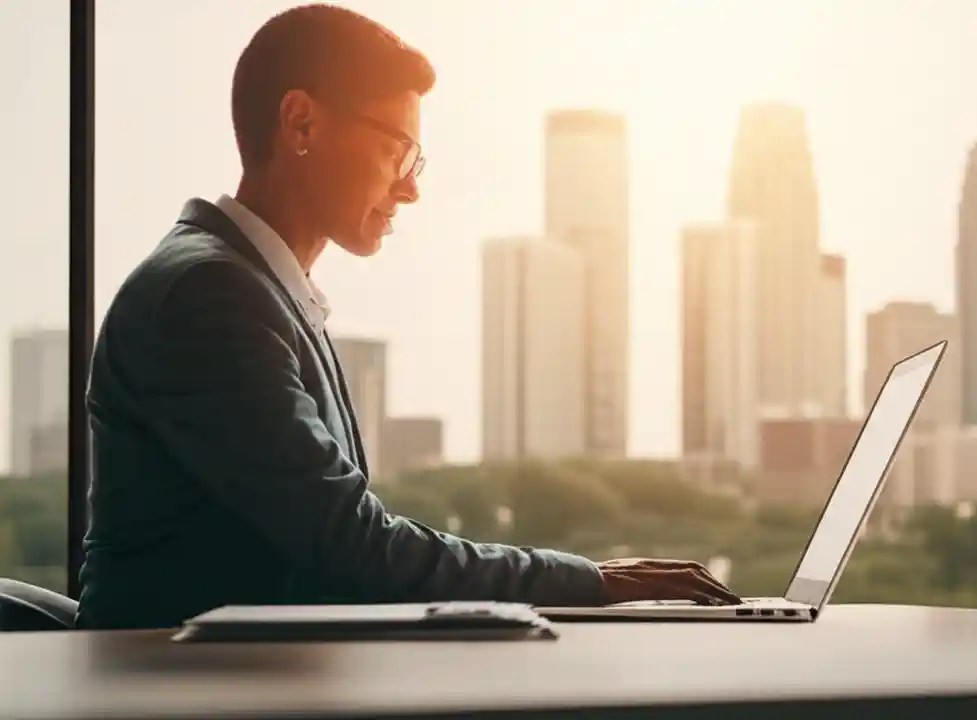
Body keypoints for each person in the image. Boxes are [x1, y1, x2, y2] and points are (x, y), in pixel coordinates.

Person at [77, 3, 738, 629]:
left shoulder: (251, 286)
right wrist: (584, 582)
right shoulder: (211, 296)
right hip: (184, 693)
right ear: (301, 124)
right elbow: (348, 545)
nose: (411, 187)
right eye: (397, 149)